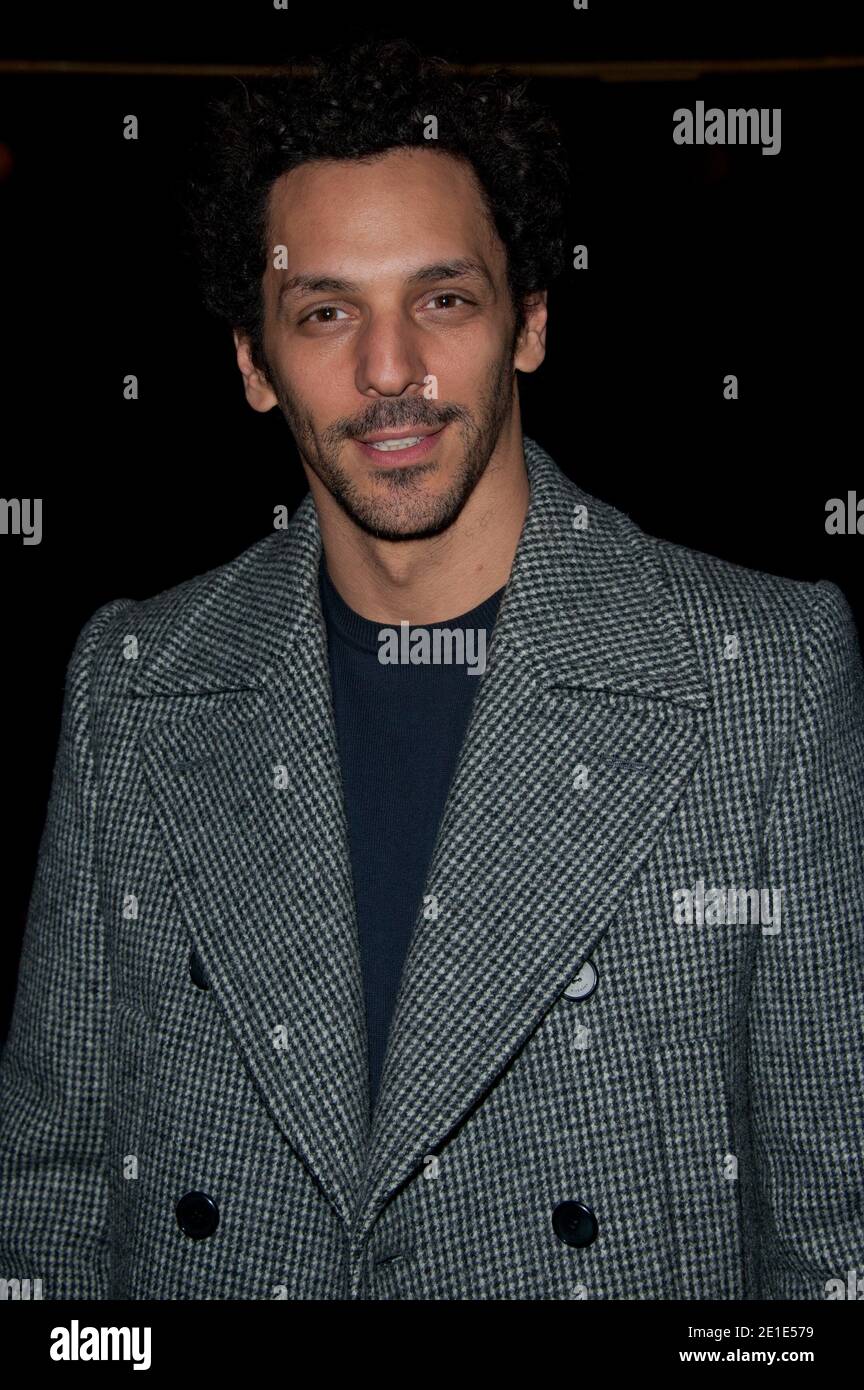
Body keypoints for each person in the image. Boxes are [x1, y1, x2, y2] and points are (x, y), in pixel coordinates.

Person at [1, 36, 862, 1301]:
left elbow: (834, 1242)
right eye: (327, 310)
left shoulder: (765, 679)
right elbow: (49, 1191)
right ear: (252, 363)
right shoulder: (132, 685)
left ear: (531, 325)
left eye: (444, 299)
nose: (390, 369)